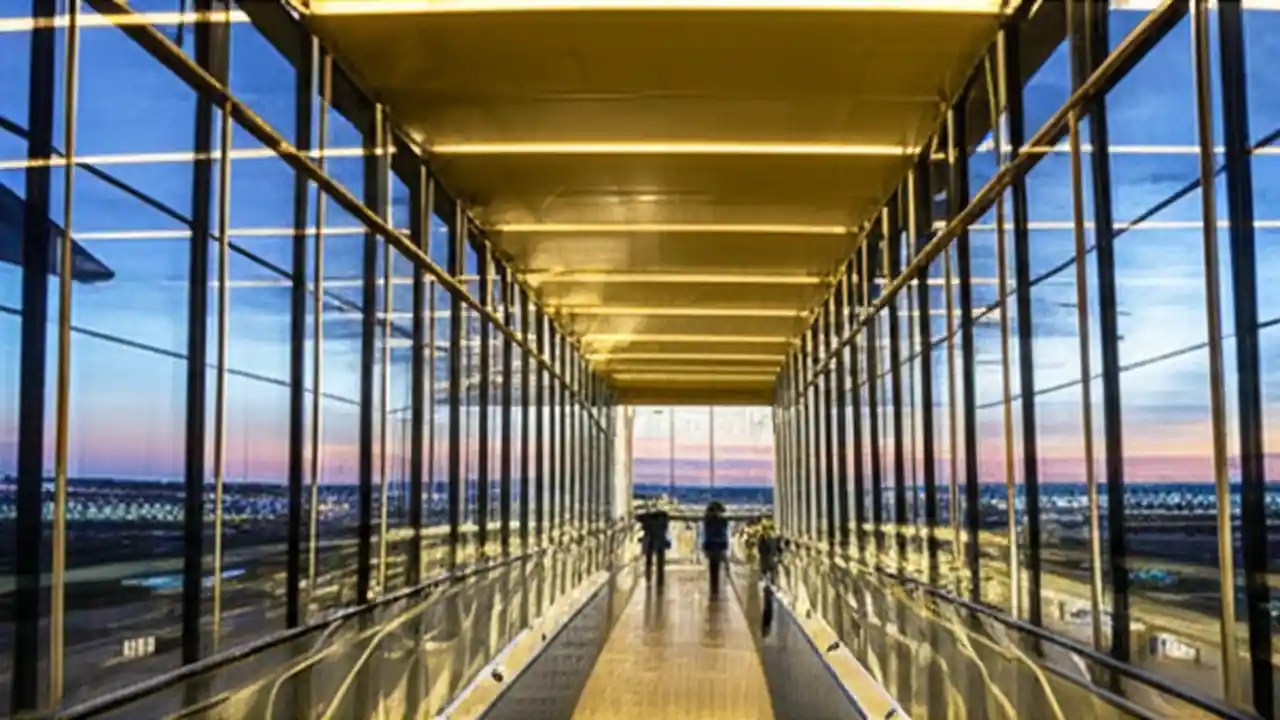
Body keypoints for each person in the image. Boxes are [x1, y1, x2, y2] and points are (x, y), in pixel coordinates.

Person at [636, 502, 670, 585]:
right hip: (660, 540)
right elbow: (665, 527)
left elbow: (638, 518)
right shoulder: (664, 517)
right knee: (660, 561)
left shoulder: (647, 518)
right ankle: (660, 579)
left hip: (650, 539)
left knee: (648, 560)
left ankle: (648, 578)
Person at [702, 501, 730, 597]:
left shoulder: (707, 520)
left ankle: (714, 589)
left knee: (713, 567)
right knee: (718, 566)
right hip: (720, 544)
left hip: (710, 543)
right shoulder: (722, 520)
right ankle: (716, 589)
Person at [756, 518, 782, 583]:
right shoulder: (774, 536)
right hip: (770, 557)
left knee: (768, 569)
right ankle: (771, 580)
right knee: (771, 569)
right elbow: (778, 547)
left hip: (767, 557)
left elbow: (760, 548)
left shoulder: (764, 536)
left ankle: (768, 580)